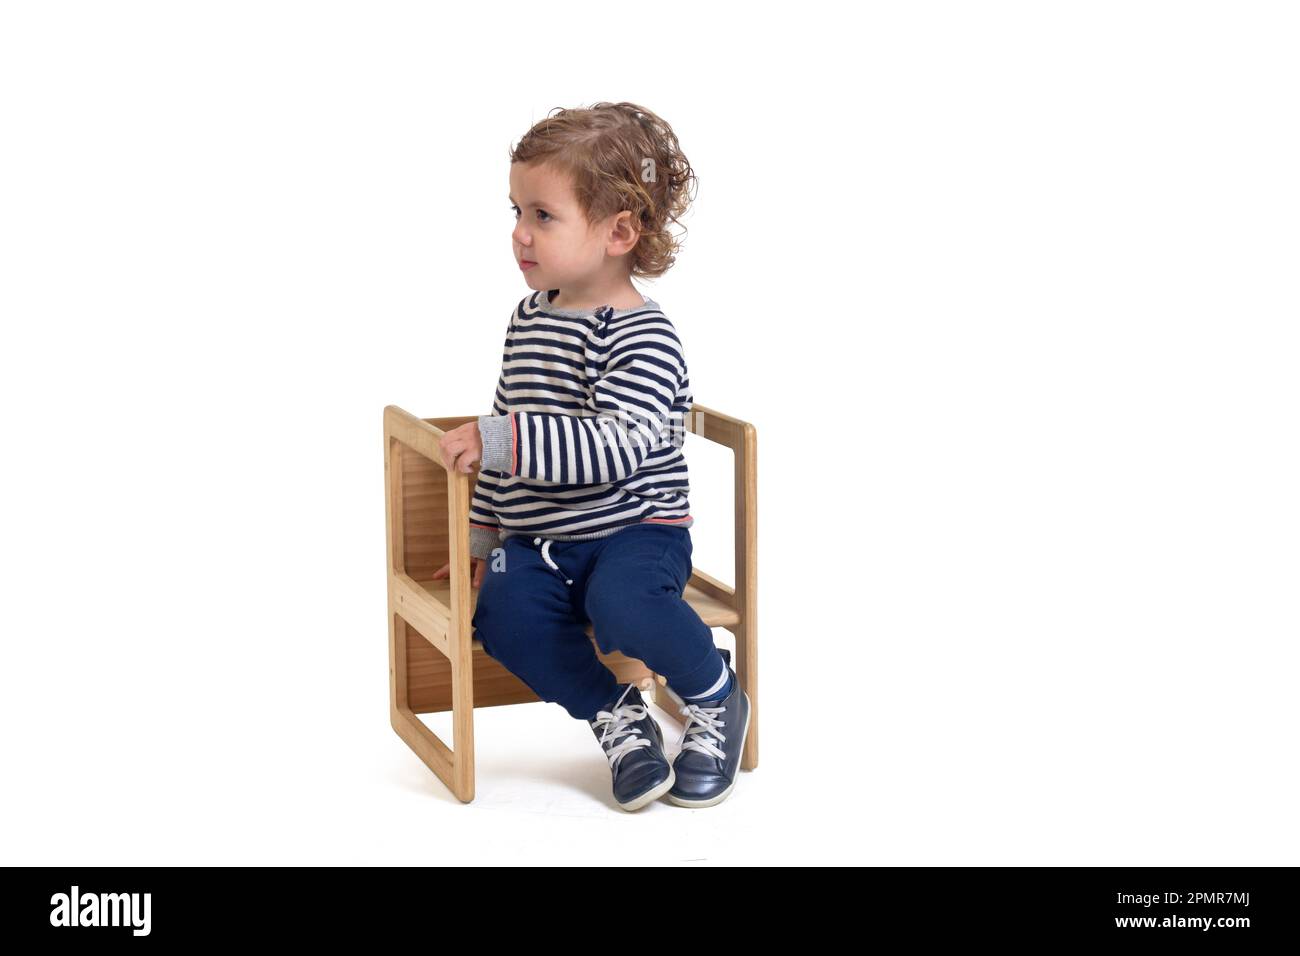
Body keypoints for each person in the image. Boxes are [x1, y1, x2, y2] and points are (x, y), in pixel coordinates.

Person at [431, 102, 749, 812]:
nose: (519, 232)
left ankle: (717, 696)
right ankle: (618, 716)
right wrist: (484, 536)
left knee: (623, 604)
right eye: (516, 210)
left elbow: (612, 446)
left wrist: (499, 437)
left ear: (618, 232)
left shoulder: (643, 336)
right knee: (502, 613)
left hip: (637, 531)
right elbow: (504, 433)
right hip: (542, 540)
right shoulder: (530, 318)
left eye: (543, 215)